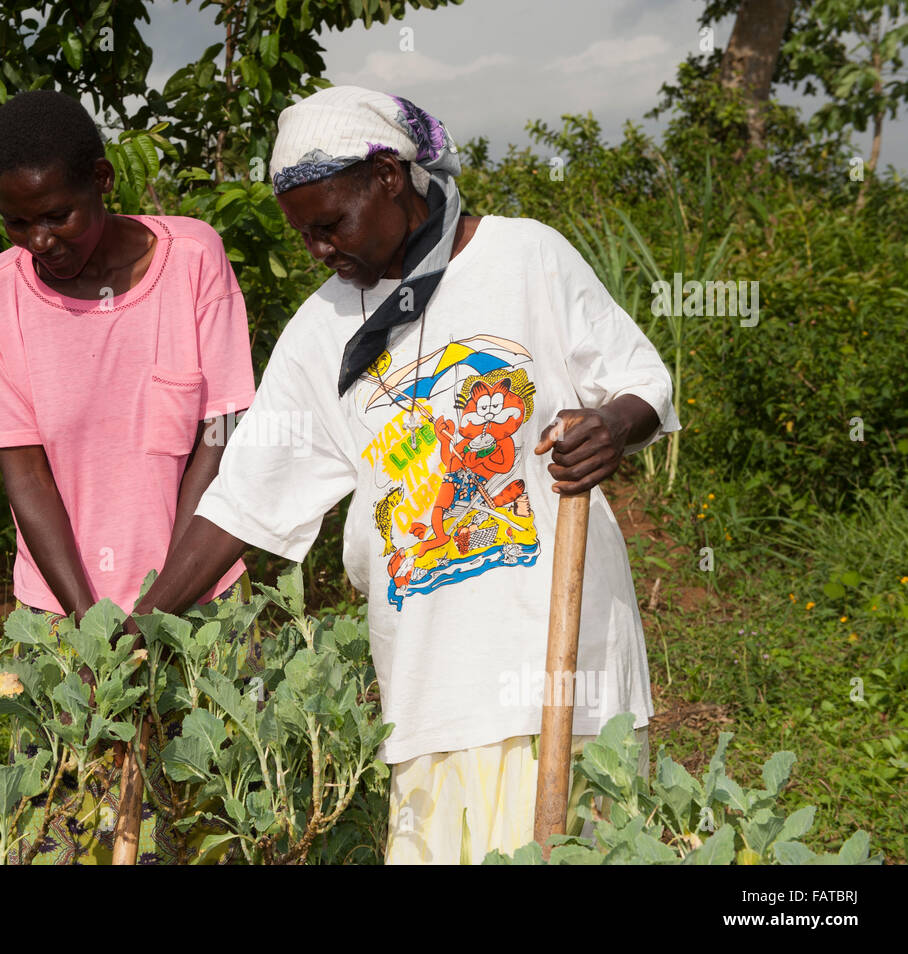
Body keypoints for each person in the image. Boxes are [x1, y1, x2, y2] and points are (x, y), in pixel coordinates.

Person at [133, 85, 681, 864]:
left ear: (389, 178)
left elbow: (643, 381)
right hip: (434, 686)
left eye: (331, 225)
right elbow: (244, 503)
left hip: (565, 668)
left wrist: (613, 428)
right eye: (305, 236)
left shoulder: (523, 256)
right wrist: (141, 624)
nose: (320, 250)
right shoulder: (323, 330)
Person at [0, 90, 259, 864]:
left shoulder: (193, 258)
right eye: (18, 221)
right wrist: (94, 636)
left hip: (203, 604)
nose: (40, 240)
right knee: (59, 839)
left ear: (102, 179)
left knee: (212, 829)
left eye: (58, 214)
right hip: (62, 623)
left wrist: (158, 609)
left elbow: (219, 436)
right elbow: (25, 476)